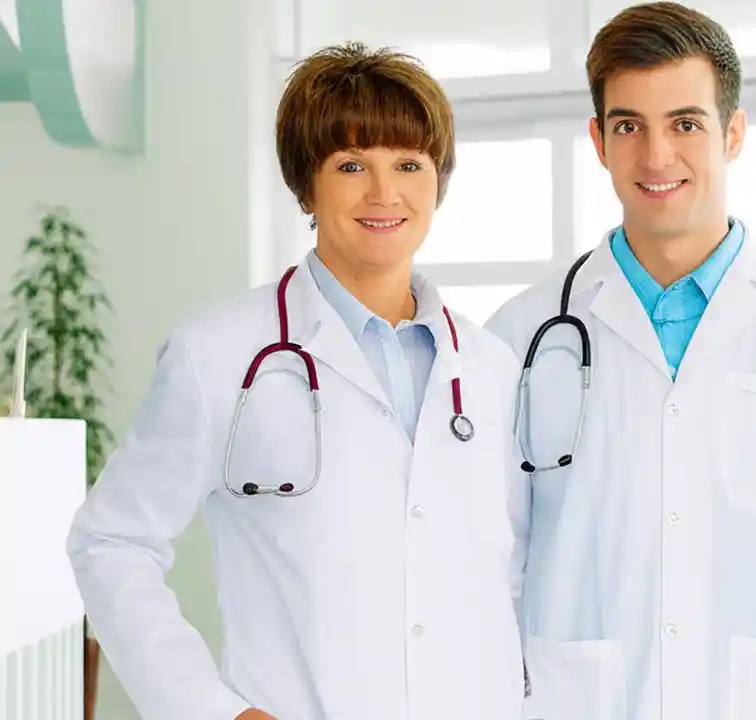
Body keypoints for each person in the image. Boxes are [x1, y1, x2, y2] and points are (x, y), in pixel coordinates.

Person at [66, 43, 526, 720]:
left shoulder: (490, 367)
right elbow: (110, 544)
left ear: (439, 182)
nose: (383, 193)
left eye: (408, 164)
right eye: (350, 165)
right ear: (305, 185)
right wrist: (212, 711)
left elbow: (511, 574)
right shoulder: (219, 353)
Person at [484, 3, 756, 718]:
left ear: (733, 133)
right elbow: (498, 557)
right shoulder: (520, 335)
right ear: (599, 141)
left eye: (685, 124)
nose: (657, 156)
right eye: (629, 126)